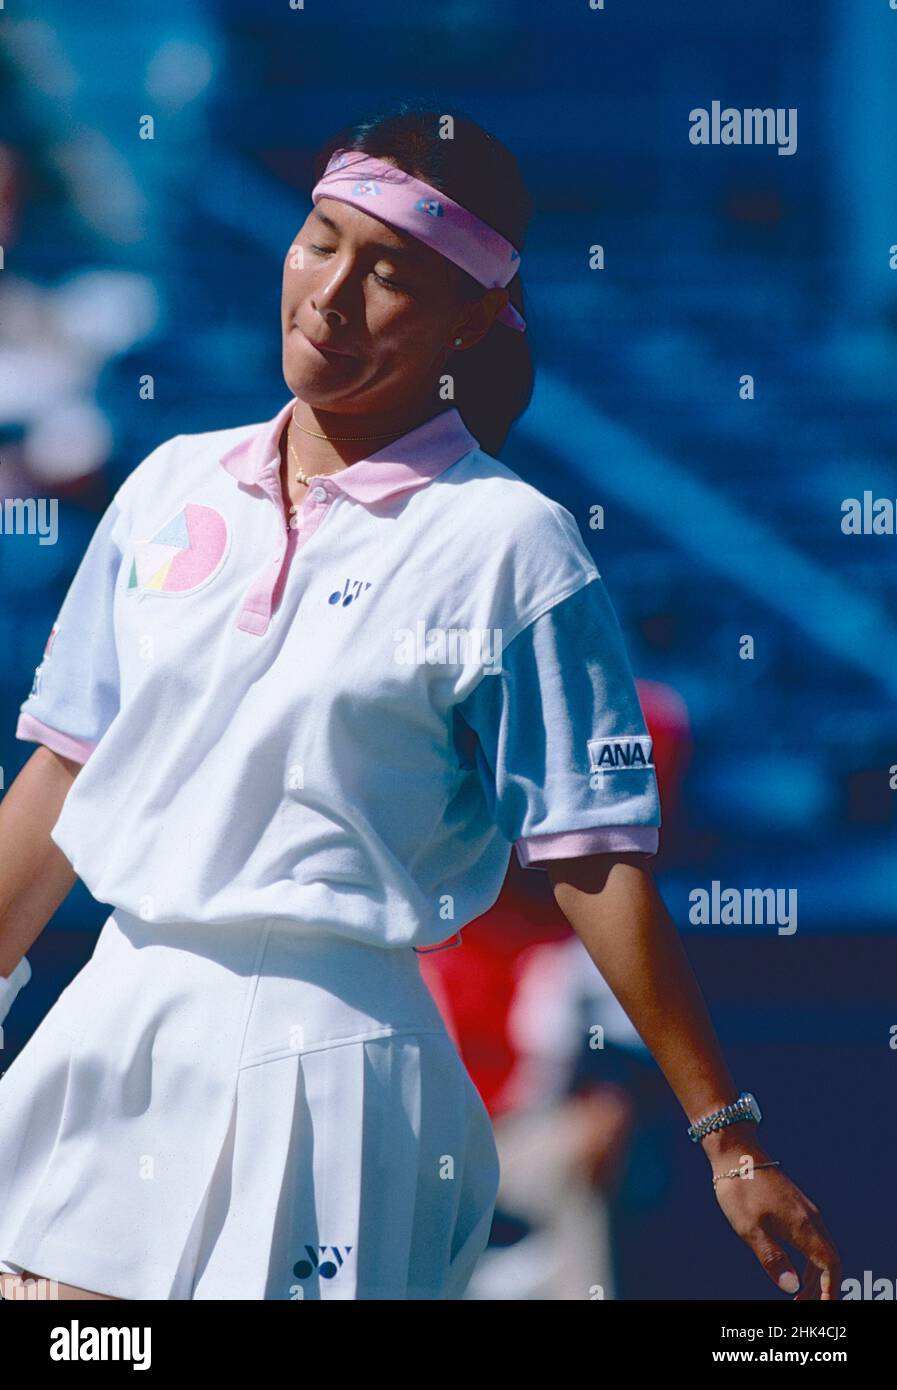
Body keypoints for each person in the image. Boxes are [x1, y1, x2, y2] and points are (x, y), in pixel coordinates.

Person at [0, 104, 840, 1302]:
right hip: (105, 1033)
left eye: (388, 269)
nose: (332, 294)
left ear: (473, 318)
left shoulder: (516, 543)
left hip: (332, 1075)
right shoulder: (166, 484)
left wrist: (728, 1137)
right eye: (320, 240)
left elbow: (592, 859)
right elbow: (62, 772)